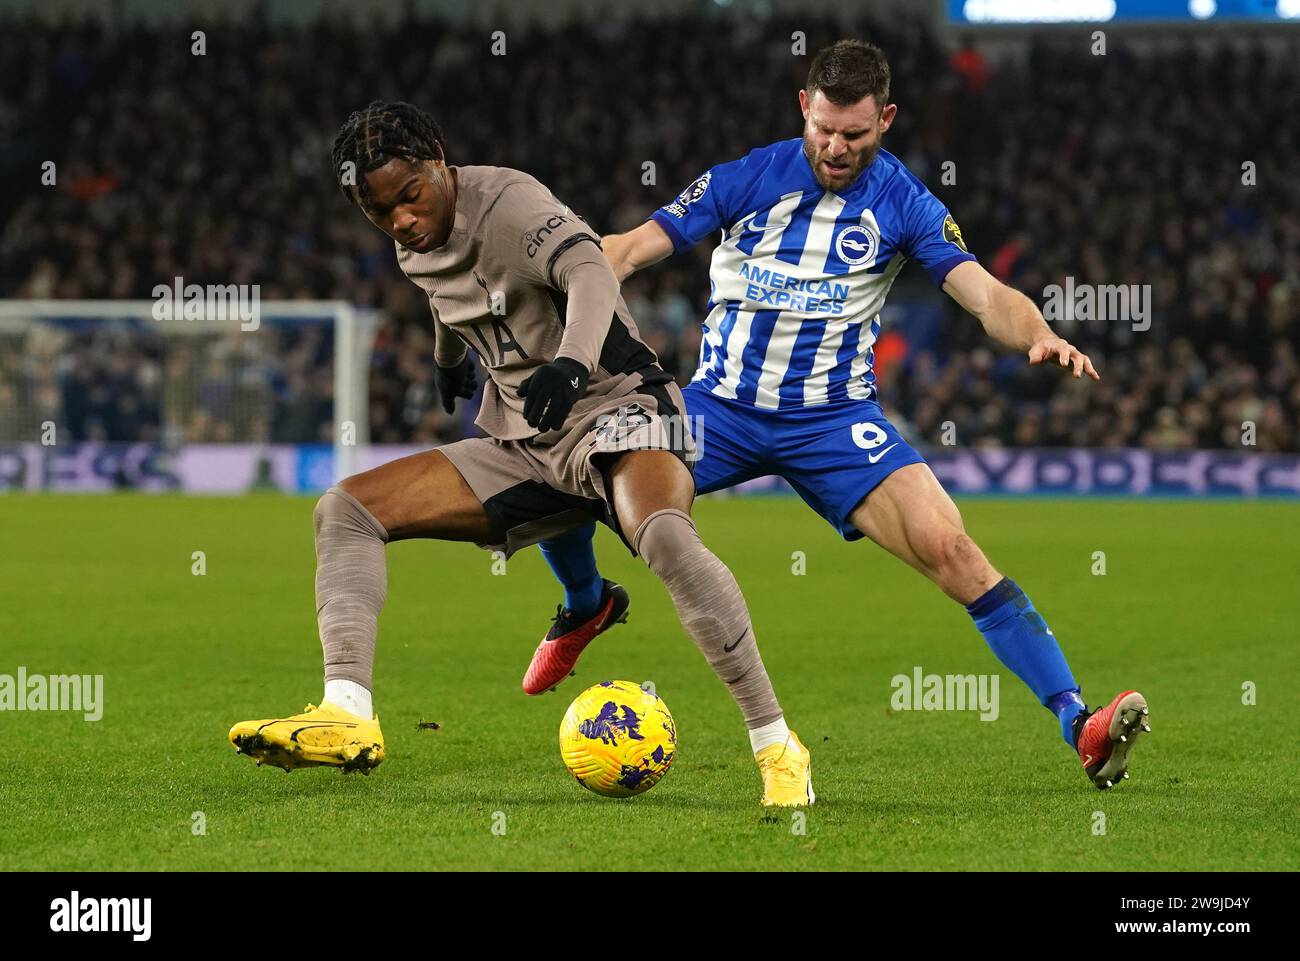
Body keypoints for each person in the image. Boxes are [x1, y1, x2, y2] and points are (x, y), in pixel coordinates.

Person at [530, 41, 1149, 791]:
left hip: (833, 421)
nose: (835, 147)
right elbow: (627, 249)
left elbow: (986, 296)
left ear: (885, 119)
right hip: (714, 411)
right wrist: (554, 281)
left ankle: (1077, 720)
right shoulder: (747, 177)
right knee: (555, 465)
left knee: (952, 548)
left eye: (855, 135)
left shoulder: (905, 203)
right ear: (804, 107)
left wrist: (1041, 332)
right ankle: (586, 603)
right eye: (825, 128)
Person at [227, 101, 814, 807]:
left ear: (439, 160)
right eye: (381, 213)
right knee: (346, 508)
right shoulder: (409, 240)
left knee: (662, 535)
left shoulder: (508, 201)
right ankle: (347, 711)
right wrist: (449, 361)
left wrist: (569, 365)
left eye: (411, 196)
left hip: (617, 406)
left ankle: (777, 744)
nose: (402, 221)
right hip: (527, 438)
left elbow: (591, 271)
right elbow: (449, 300)